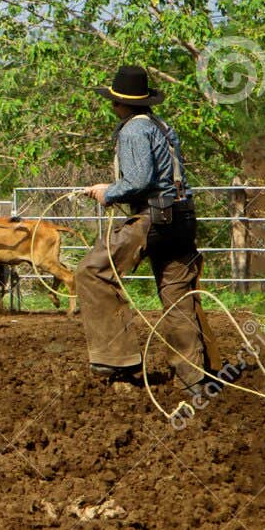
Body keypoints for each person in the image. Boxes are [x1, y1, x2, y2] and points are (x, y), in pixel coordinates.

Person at [78, 65, 214, 398]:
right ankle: (193, 377)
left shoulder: (132, 131)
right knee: (176, 295)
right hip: (181, 218)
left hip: (154, 218)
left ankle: (118, 361)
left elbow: (139, 180)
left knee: (92, 271)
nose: (112, 107)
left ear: (120, 104)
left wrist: (107, 192)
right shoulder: (161, 127)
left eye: (113, 101)